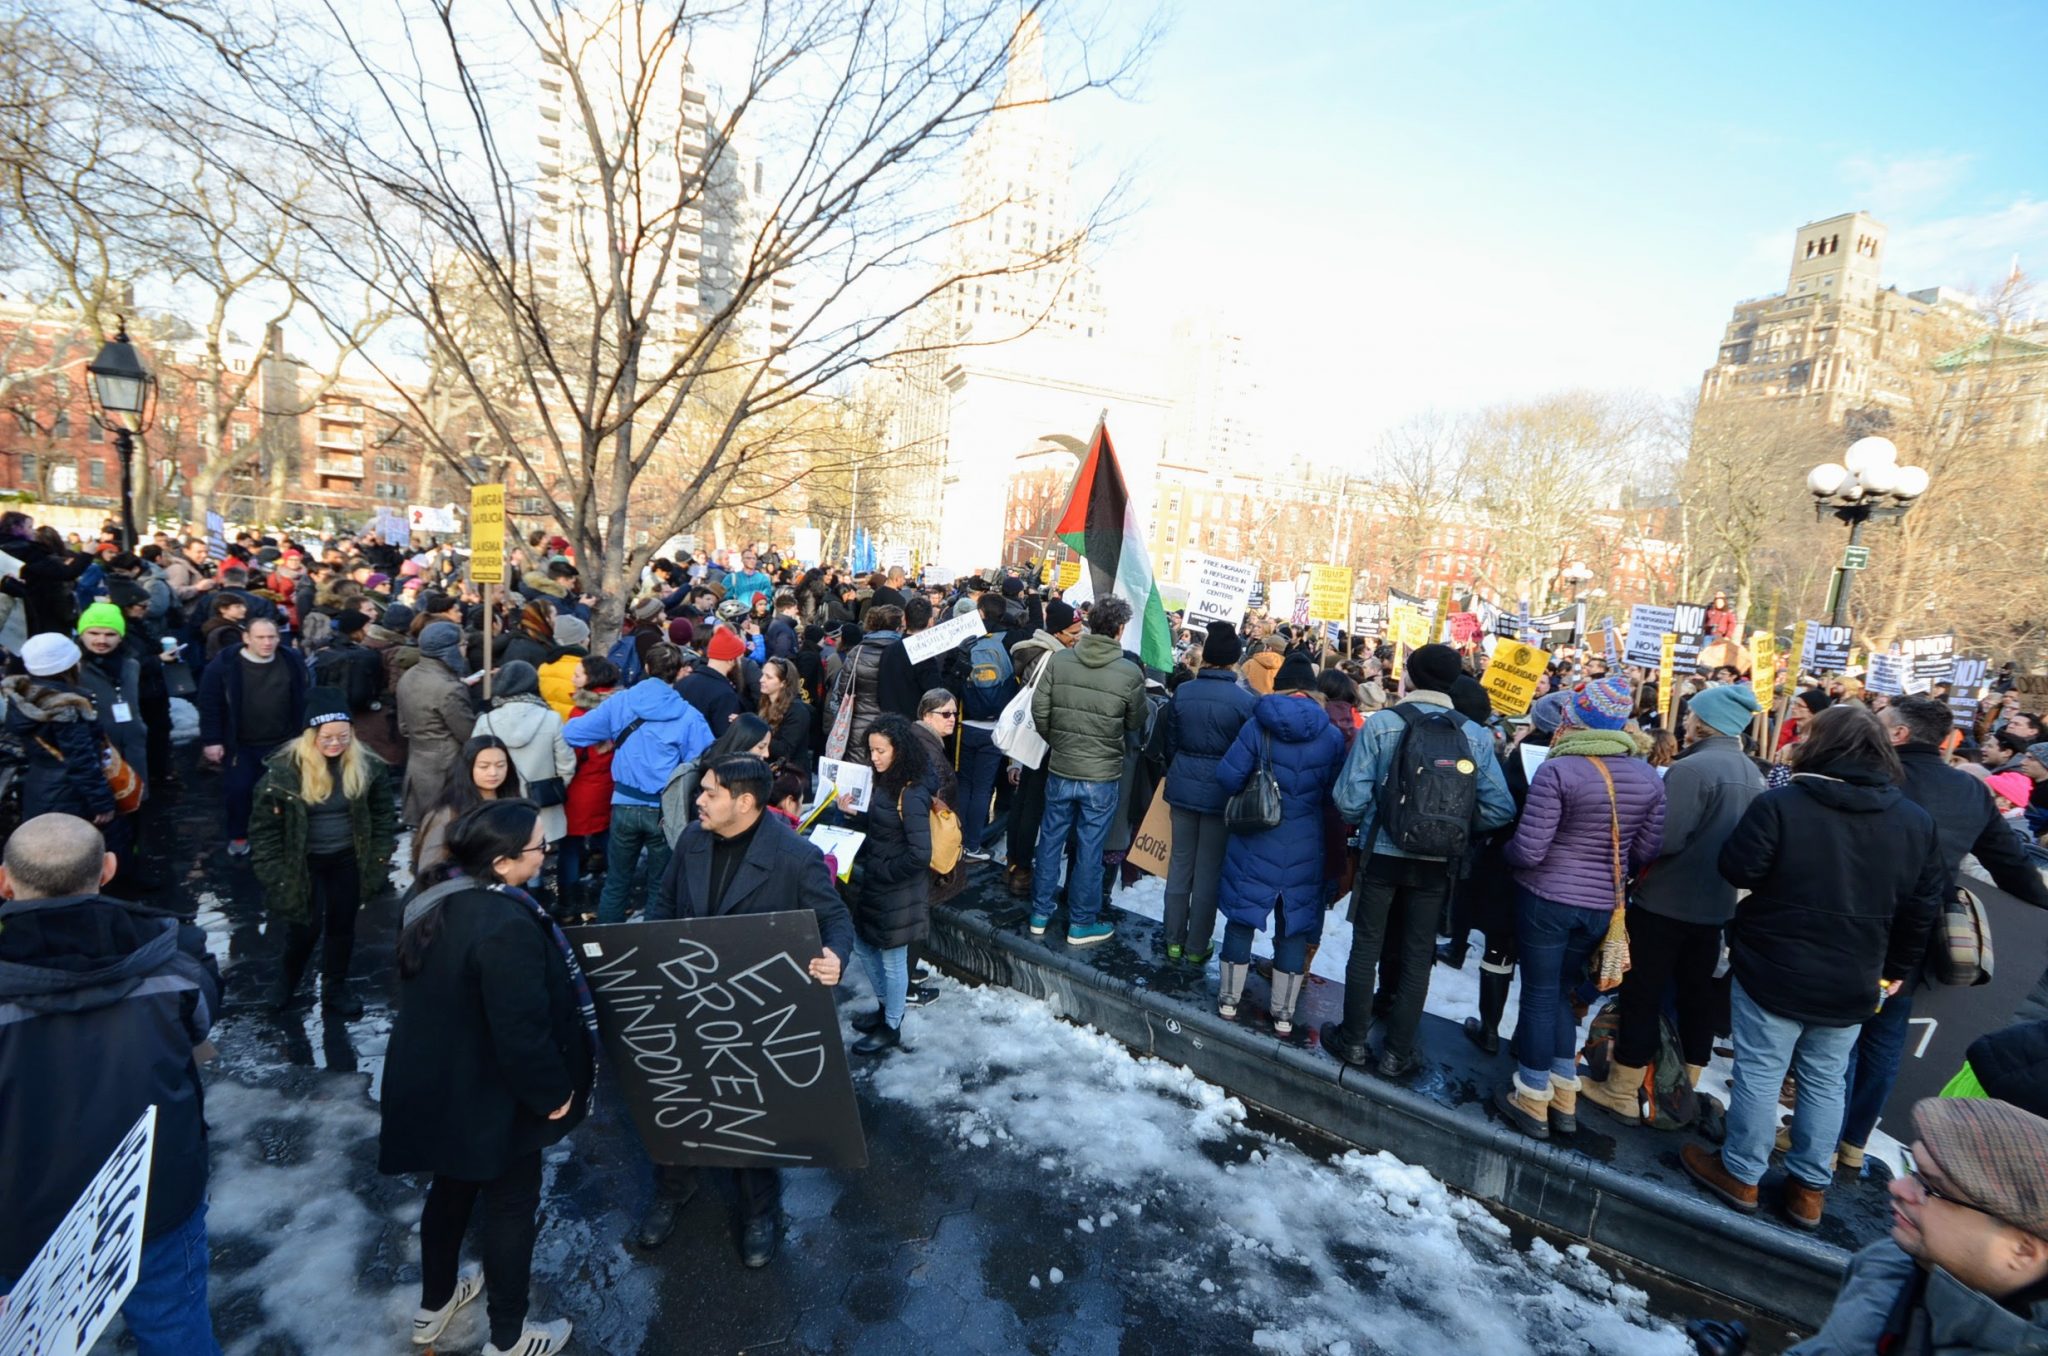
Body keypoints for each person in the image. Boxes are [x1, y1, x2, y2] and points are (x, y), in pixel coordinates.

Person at [1683, 703, 1944, 1230]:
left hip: (1774, 963)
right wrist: (1894, 969)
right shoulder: (1914, 821)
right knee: (1825, 1080)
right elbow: (1923, 908)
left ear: (1819, 746)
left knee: (1762, 1071)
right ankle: (1808, 1188)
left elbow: (1738, 866)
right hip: (1854, 973)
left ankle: (1741, 1172)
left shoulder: (1784, 804)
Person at [0, 814, 224, 1355]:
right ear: (107, 869)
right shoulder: (178, 960)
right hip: (152, 1197)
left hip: (18, 1216)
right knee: (176, 1331)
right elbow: (201, 1025)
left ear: (5, 881)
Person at [380, 802, 594, 1356]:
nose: (546, 853)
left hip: (437, 1082)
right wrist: (553, 1093)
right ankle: (508, 1338)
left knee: (450, 1190)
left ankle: (435, 1305)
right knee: (509, 1206)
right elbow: (521, 1033)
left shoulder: (432, 900)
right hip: (490, 1095)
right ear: (501, 863)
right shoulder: (504, 924)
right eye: (538, 847)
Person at [640, 755, 853, 1262]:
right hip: (688, 999)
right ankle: (675, 1189)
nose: (699, 800)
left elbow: (836, 919)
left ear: (746, 802)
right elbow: (663, 901)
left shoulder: (795, 856)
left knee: (749, 1112)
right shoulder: (693, 840)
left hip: (755, 1013)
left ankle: (759, 1211)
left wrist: (834, 958)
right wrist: (654, 948)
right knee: (681, 1102)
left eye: (709, 793)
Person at [1825, 697, 2048, 1167]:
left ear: (1899, 735)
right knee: (1883, 1041)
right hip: (1916, 941)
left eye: (1879, 724)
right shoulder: (1969, 792)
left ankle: (1822, 1140)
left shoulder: (1874, 776)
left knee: (1838, 1039)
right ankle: (1852, 1143)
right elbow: (2011, 865)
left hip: (1852, 928)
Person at [1324, 643, 1515, 1078]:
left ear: (1408, 676)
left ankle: (1352, 1040)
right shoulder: (1476, 735)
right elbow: (1500, 808)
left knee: (1366, 947)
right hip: (1437, 865)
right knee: (1415, 955)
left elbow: (1348, 798)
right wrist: (1456, 828)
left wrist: (1374, 817)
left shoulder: (1384, 725)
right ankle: (1397, 1053)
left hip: (1383, 854)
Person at [1492, 677, 1667, 1139]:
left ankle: (1531, 1096)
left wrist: (1503, 857)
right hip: (1601, 904)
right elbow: (1647, 849)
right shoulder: (1648, 776)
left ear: (1575, 718)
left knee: (1538, 994)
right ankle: (1564, 1095)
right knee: (1565, 997)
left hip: (1546, 897)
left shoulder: (1559, 769)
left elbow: (1529, 850)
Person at [1583, 682, 1764, 1123]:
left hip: (1666, 901)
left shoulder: (1694, 770)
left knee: (1643, 993)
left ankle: (1624, 1089)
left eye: (1691, 714)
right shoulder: (1752, 772)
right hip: (1716, 906)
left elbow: (1663, 839)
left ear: (1706, 723)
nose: (1685, 720)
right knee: (1696, 997)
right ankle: (1682, 1088)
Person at [1787, 1098, 2048, 1354]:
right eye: (1913, 1172)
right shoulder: (1894, 1262)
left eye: (1932, 1188)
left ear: (2023, 1251)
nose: (1896, 1187)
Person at [1211, 653, 1347, 1038]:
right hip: (1307, 843)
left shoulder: (1258, 725)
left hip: (1256, 836)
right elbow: (1334, 796)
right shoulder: (1333, 735)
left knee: (1242, 917)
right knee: (1295, 927)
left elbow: (1227, 776)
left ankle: (1228, 999)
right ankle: (1284, 1013)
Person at [248, 689, 398, 1017]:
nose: (335, 744)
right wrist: (273, 873)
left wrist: (378, 859)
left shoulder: (367, 765)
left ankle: (335, 987)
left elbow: (383, 815)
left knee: (343, 925)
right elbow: (264, 831)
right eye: (327, 737)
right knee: (305, 927)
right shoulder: (284, 771)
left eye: (343, 736)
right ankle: (287, 981)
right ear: (311, 736)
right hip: (303, 863)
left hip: (348, 858)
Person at [564, 643, 713, 923]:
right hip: (664, 810)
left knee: (616, 881)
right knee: (659, 886)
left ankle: (608, 945)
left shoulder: (620, 702)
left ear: (646, 667)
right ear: (679, 672)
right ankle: (651, 948)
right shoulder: (688, 715)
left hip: (623, 804)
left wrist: (607, 735)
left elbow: (572, 732)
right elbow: (704, 758)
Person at [1029, 596, 1147, 947]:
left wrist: (1059, 740)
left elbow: (1040, 710)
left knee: (1050, 840)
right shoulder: (1128, 672)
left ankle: (1040, 912)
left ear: (1091, 624)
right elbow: (1135, 720)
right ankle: (1080, 922)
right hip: (1101, 774)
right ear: (1120, 629)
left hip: (1063, 765)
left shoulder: (1061, 660)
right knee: (1091, 848)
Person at [1159, 621, 1257, 965]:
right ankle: (1197, 945)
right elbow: (1247, 756)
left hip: (1183, 786)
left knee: (1180, 865)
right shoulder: (1246, 702)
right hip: (1221, 795)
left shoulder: (1184, 692)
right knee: (1208, 872)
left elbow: (1169, 744)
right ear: (1234, 661)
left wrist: (1180, 770)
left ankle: (1173, 939)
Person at [846, 715, 933, 1054]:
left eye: (881, 751)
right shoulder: (888, 783)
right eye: (871, 751)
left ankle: (892, 1025)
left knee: (893, 960)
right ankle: (886, 1010)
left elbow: (920, 854)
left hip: (899, 889)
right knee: (864, 945)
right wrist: (856, 815)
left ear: (900, 750)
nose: (874, 758)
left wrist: (882, 868)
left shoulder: (911, 792)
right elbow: (885, 825)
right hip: (882, 884)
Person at [197, 617, 306, 856]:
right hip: (241, 743)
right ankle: (239, 834)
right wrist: (212, 739)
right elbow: (210, 703)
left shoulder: (291, 660)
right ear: (246, 638)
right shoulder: (224, 665)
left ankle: (284, 836)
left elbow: (303, 696)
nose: (267, 643)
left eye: (272, 637)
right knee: (239, 791)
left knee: (285, 791)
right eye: (260, 637)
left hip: (283, 741)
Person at [473, 660, 577, 852]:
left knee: (509, 859)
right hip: (544, 803)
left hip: (501, 805)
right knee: (543, 861)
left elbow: (474, 762)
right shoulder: (551, 718)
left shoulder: (485, 720)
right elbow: (567, 763)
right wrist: (556, 787)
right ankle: (551, 884)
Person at [395, 621, 478, 828]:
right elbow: (468, 733)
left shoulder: (409, 676)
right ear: (449, 650)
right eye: (462, 644)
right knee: (447, 832)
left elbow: (404, 727)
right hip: (448, 770)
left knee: (424, 833)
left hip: (418, 766)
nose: (465, 649)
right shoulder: (449, 689)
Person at [560, 655, 622, 916]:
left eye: (578, 674)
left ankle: (567, 902)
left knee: (570, 845)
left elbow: (570, 753)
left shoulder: (581, 711)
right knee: (608, 839)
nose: (573, 678)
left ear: (591, 678)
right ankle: (616, 893)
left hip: (582, 786)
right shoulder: (620, 705)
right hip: (610, 784)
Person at [414, 736, 523, 877]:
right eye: (484, 766)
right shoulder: (447, 813)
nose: (493, 773)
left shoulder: (512, 802)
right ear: (467, 767)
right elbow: (429, 869)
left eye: (501, 765)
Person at [758, 655, 812, 769]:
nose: (761, 679)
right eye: (763, 674)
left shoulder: (797, 711)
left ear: (783, 683)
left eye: (769, 677)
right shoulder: (765, 703)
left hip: (791, 777)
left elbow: (786, 749)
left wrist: (754, 733)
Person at [537, 613, 590, 718]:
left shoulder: (543, 667)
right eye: (587, 636)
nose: (589, 639)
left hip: (549, 725)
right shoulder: (586, 670)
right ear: (581, 640)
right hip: (576, 727)